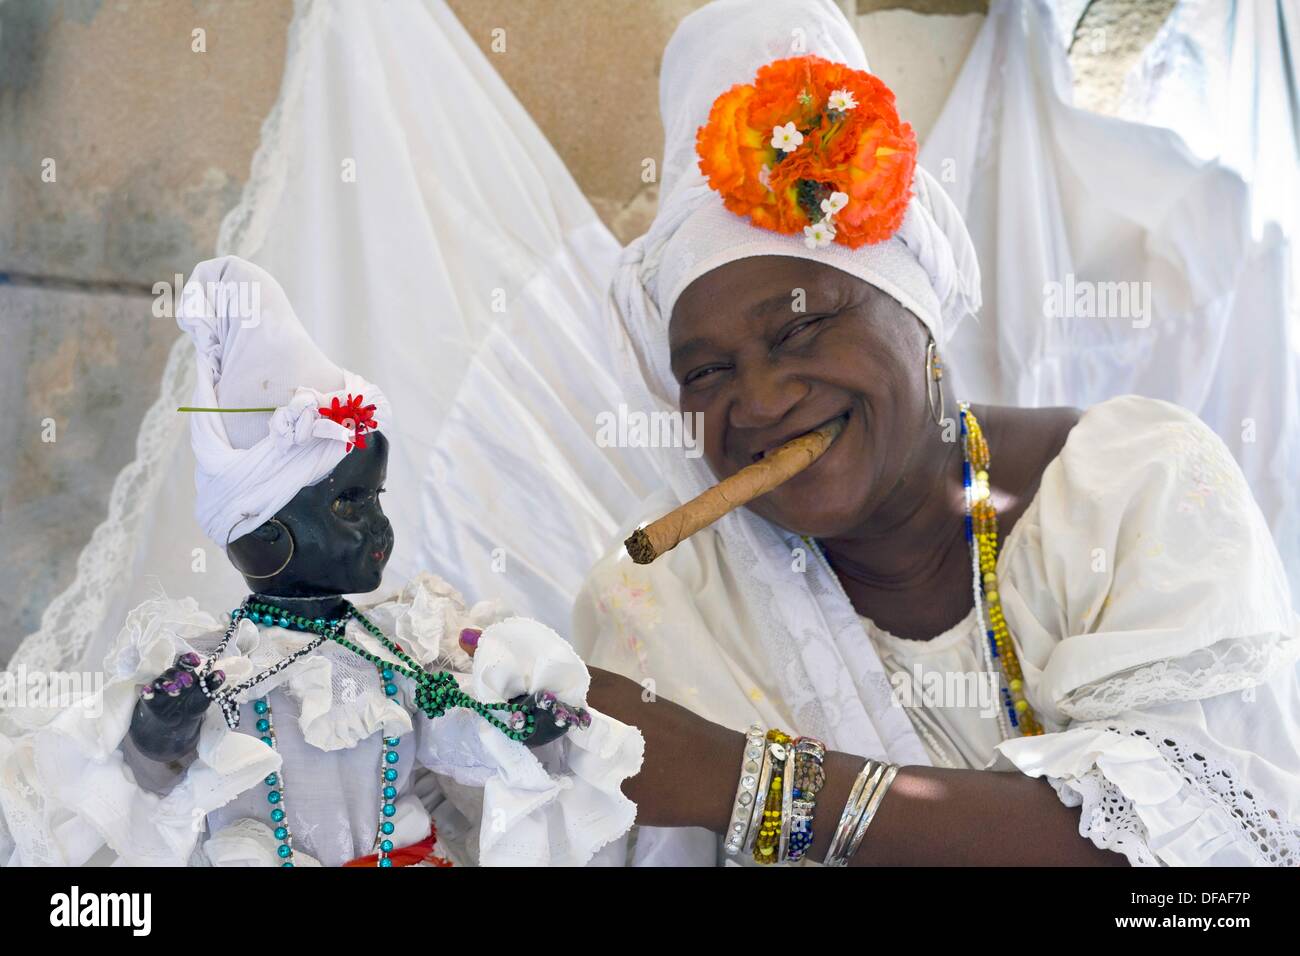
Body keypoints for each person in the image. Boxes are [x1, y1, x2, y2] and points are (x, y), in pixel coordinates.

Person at [572, 0, 1300, 866]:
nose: (759, 401)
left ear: (920, 319)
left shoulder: (1135, 487)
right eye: (706, 371)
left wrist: (735, 782)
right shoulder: (664, 602)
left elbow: (1201, 870)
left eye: (800, 329)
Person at [0, 256, 642, 867]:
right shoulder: (220, 664)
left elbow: (458, 743)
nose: (378, 526)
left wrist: (517, 728)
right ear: (264, 535)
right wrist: (160, 729)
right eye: (351, 503)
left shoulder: (402, 649)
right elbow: (149, 781)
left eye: (376, 498)